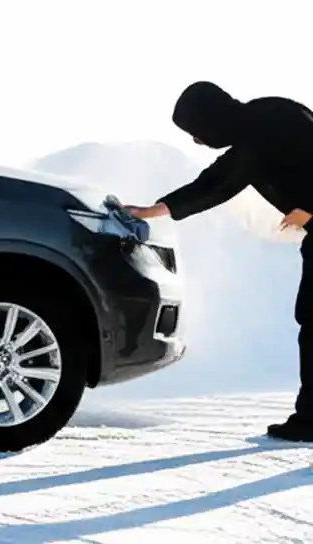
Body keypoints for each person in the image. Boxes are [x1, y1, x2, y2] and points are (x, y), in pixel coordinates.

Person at [125, 81, 313, 442]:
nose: (198, 142)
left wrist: (153, 211)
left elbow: (216, 184)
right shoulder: (269, 113)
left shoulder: (257, 138)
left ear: (212, 120)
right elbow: (216, 179)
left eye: (197, 133)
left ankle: (312, 420)